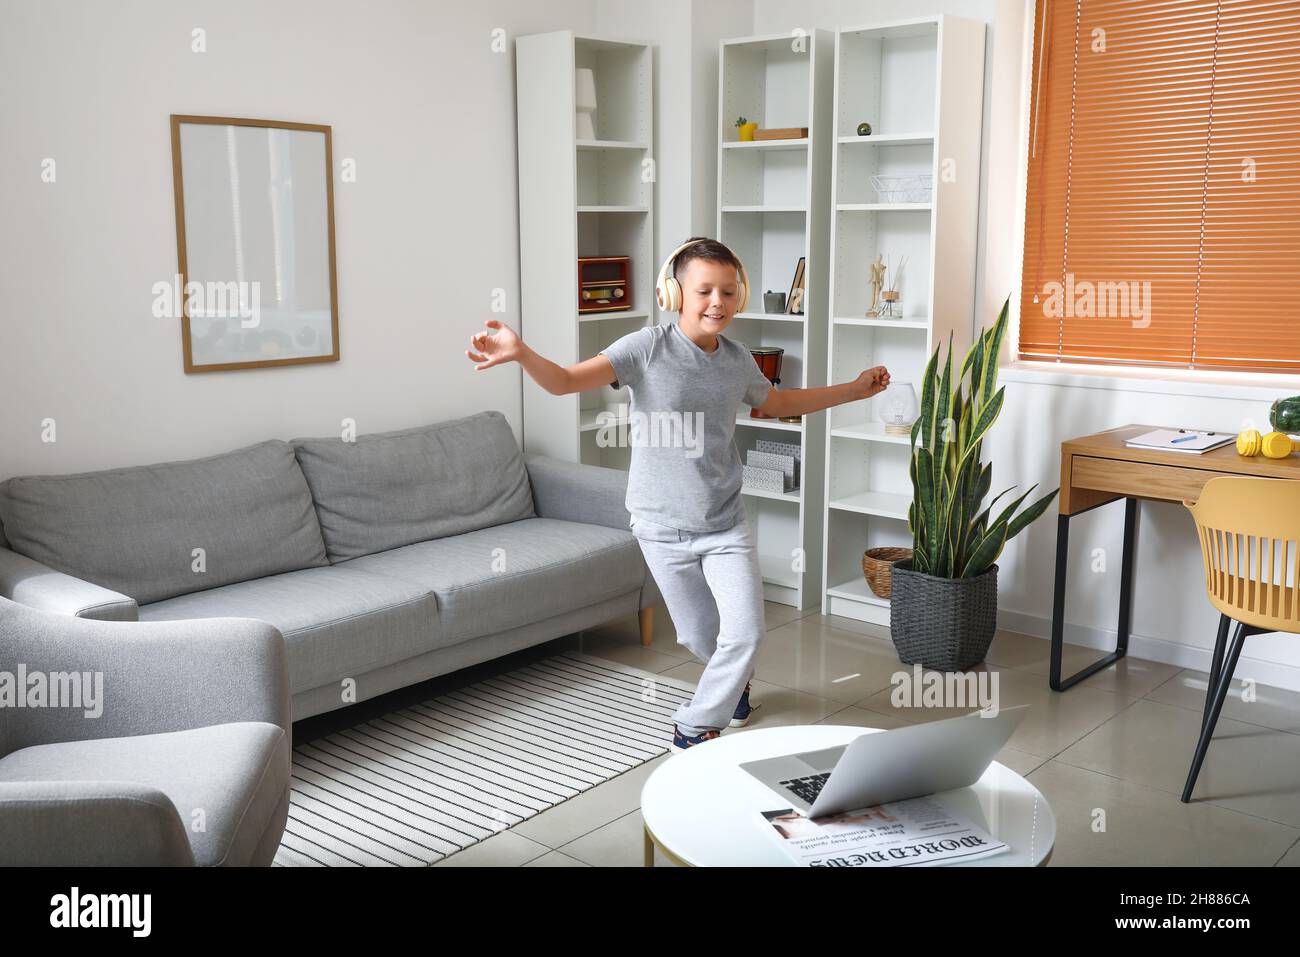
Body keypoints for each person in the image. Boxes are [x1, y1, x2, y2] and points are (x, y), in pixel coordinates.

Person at [467, 237, 890, 749]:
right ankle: (732, 687)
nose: (718, 302)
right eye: (704, 290)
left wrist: (853, 389)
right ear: (675, 293)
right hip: (660, 525)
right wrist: (520, 353)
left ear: (741, 296)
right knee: (697, 636)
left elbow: (774, 402)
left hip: (724, 522)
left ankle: (693, 725)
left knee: (747, 633)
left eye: (729, 292)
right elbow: (563, 382)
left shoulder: (736, 360)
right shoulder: (644, 348)